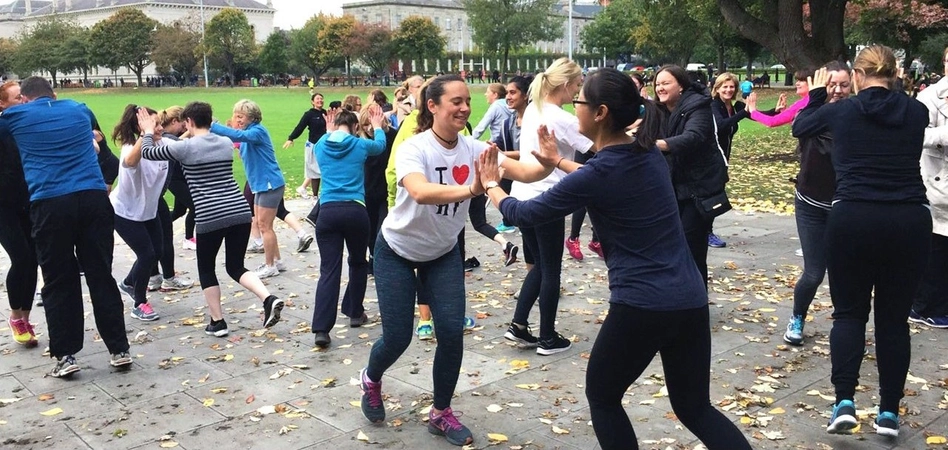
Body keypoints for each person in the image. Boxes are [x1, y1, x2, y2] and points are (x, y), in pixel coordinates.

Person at [479, 67, 752, 450]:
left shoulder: (604, 170)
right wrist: (558, 161)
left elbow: (522, 214)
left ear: (601, 112)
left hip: (642, 304)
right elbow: (601, 177)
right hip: (689, 299)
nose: (576, 109)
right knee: (694, 407)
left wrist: (492, 183)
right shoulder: (647, 155)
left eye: (580, 102)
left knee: (603, 396)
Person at [359, 74, 560, 445]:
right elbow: (419, 191)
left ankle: (441, 413)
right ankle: (371, 378)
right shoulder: (413, 148)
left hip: (443, 253)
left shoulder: (474, 148)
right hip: (397, 250)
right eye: (456, 101)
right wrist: (471, 188)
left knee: (451, 333)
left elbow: (526, 171)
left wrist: (549, 163)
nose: (465, 107)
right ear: (432, 106)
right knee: (399, 336)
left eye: (468, 100)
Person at [793, 45, 930, 438]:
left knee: (849, 314)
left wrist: (817, 94)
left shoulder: (841, 111)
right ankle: (888, 412)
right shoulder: (916, 111)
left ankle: (844, 401)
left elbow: (802, 128)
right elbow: (896, 106)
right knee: (893, 320)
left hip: (853, 217)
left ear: (856, 75)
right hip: (908, 218)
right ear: (896, 73)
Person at [0, 76, 132, 377]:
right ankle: (118, 348)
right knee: (100, 274)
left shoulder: (14, 116)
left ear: (24, 99)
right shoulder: (79, 108)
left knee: (59, 279)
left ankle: (66, 355)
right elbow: (94, 143)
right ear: (54, 94)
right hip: (93, 198)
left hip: (51, 202)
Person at [139, 102, 285, 337]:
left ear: (188, 122)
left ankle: (218, 322)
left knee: (206, 269)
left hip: (210, 215)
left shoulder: (184, 148)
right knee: (236, 266)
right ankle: (268, 298)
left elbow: (148, 152)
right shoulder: (225, 143)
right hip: (238, 211)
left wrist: (147, 131)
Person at [782, 61, 851, 346]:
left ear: (854, 84)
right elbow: (799, 127)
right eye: (831, 84)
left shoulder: (855, 113)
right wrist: (817, 96)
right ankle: (797, 316)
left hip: (845, 206)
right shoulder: (816, 110)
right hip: (810, 203)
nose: (837, 90)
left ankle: (846, 322)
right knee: (813, 273)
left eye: (843, 85)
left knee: (844, 271)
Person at [310, 107, 387, 348]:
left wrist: (328, 131)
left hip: (328, 210)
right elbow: (380, 146)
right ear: (354, 127)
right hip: (355, 209)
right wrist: (376, 126)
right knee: (357, 261)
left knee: (329, 270)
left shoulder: (321, 145)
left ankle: (322, 329)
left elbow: (325, 139)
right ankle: (355, 312)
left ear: (334, 126)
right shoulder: (359, 145)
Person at [654, 65, 729, 287]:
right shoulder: (660, 108)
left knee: (691, 247)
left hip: (699, 189)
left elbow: (693, 137)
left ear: (681, 85)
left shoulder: (698, 106)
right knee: (671, 245)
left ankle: (696, 304)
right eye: (657, 84)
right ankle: (678, 296)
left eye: (666, 83)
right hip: (674, 187)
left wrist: (659, 144)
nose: (660, 88)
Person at [211, 100, 286, 278]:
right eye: (235, 115)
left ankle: (270, 266)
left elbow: (236, 135)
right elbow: (231, 137)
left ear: (251, 117)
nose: (237, 119)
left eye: (240, 116)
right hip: (260, 185)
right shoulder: (246, 133)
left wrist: (212, 125)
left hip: (270, 184)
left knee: (264, 226)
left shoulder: (257, 131)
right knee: (262, 224)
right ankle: (277, 261)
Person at [110, 105, 169, 321]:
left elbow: (184, 146)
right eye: (156, 124)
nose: (161, 128)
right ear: (141, 128)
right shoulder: (130, 148)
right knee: (147, 255)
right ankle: (139, 303)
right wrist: (146, 133)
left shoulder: (161, 144)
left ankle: (128, 282)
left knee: (159, 251)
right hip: (124, 212)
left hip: (148, 211)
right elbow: (130, 161)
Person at [911, 45, 948, 328]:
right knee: (936, 251)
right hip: (938, 182)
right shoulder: (930, 97)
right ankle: (924, 306)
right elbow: (917, 132)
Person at [0, 81, 38, 346]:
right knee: (22, 257)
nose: (23, 100)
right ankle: (15, 316)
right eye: (17, 98)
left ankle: (25, 315)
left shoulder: (27, 124)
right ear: (2, 104)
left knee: (34, 258)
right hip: (3, 206)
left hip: (29, 200)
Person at [146, 106, 195, 291]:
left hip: (153, 198)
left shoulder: (151, 143)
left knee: (157, 240)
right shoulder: (153, 143)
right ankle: (147, 280)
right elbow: (179, 144)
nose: (161, 128)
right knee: (157, 242)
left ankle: (157, 278)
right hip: (147, 200)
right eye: (157, 125)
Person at [708, 72, 750, 249]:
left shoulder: (736, 106)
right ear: (717, 89)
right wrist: (743, 113)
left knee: (716, 191)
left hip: (724, 156)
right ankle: (706, 232)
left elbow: (755, 115)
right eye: (724, 86)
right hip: (711, 157)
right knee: (712, 194)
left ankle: (702, 230)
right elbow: (722, 126)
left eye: (731, 86)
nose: (728, 90)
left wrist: (777, 111)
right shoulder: (713, 105)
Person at [284, 93, 328, 199]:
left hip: (324, 145)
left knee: (324, 169)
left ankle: (324, 193)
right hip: (313, 144)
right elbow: (300, 127)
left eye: (321, 99)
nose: (320, 100)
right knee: (314, 170)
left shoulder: (325, 113)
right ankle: (315, 196)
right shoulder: (309, 114)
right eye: (317, 99)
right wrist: (291, 138)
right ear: (312, 102)